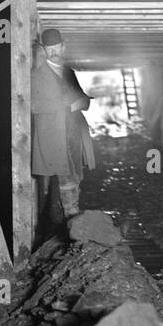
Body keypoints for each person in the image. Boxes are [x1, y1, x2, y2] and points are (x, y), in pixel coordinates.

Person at [31, 28, 93, 227]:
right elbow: (34, 105)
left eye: (56, 47)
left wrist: (82, 102)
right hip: (54, 132)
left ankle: (72, 216)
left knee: (75, 173)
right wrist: (67, 105)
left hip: (74, 130)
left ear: (63, 46)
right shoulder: (38, 75)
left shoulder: (68, 72)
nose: (53, 51)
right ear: (43, 50)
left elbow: (83, 99)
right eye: (49, 48)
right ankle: (70, 216)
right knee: (64, 175)